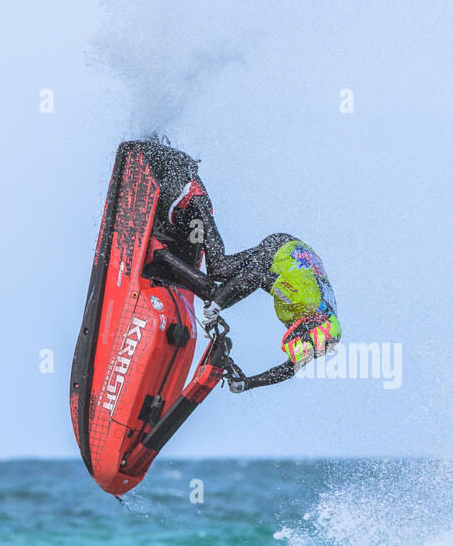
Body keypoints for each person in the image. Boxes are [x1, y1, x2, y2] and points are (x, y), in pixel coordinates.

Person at [135, 137, 342, 393]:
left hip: (292, 254)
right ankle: (191, 202)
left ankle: (182, 229)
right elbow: (255, 275)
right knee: (220, 272)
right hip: (280, 251)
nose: (297, 345)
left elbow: (290, 369)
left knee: (219, 287)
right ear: (310, 327)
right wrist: (219, 304)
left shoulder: (323, 335)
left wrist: (248, 383)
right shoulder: (305, 303)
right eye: (301, 341)